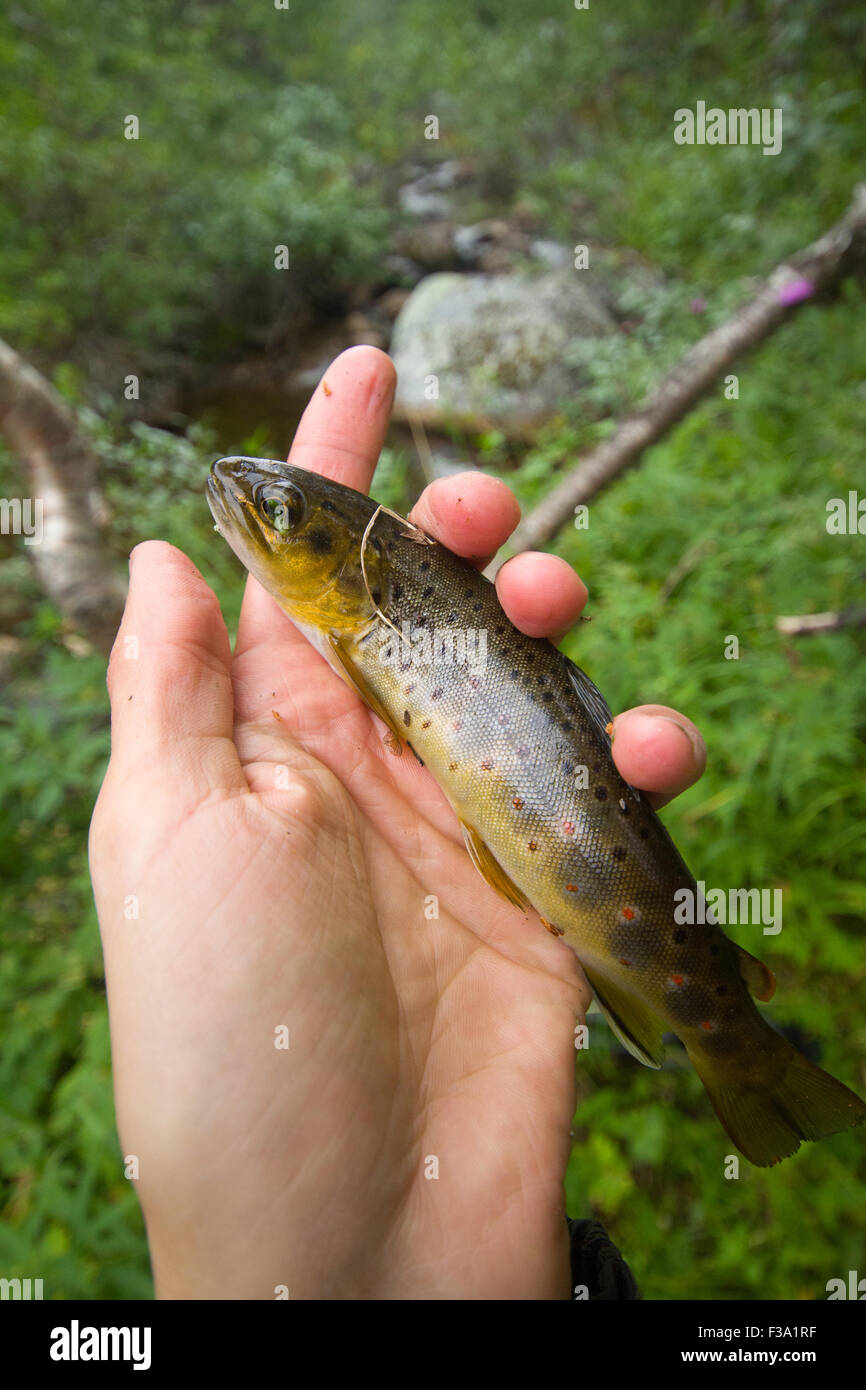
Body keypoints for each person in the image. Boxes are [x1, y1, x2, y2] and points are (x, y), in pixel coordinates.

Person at [89, 347, 706, 1299]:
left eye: (287, 517)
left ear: (348, 566)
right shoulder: (330, 639)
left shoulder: (366, 611)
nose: (253, 505)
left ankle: (724, 1024)